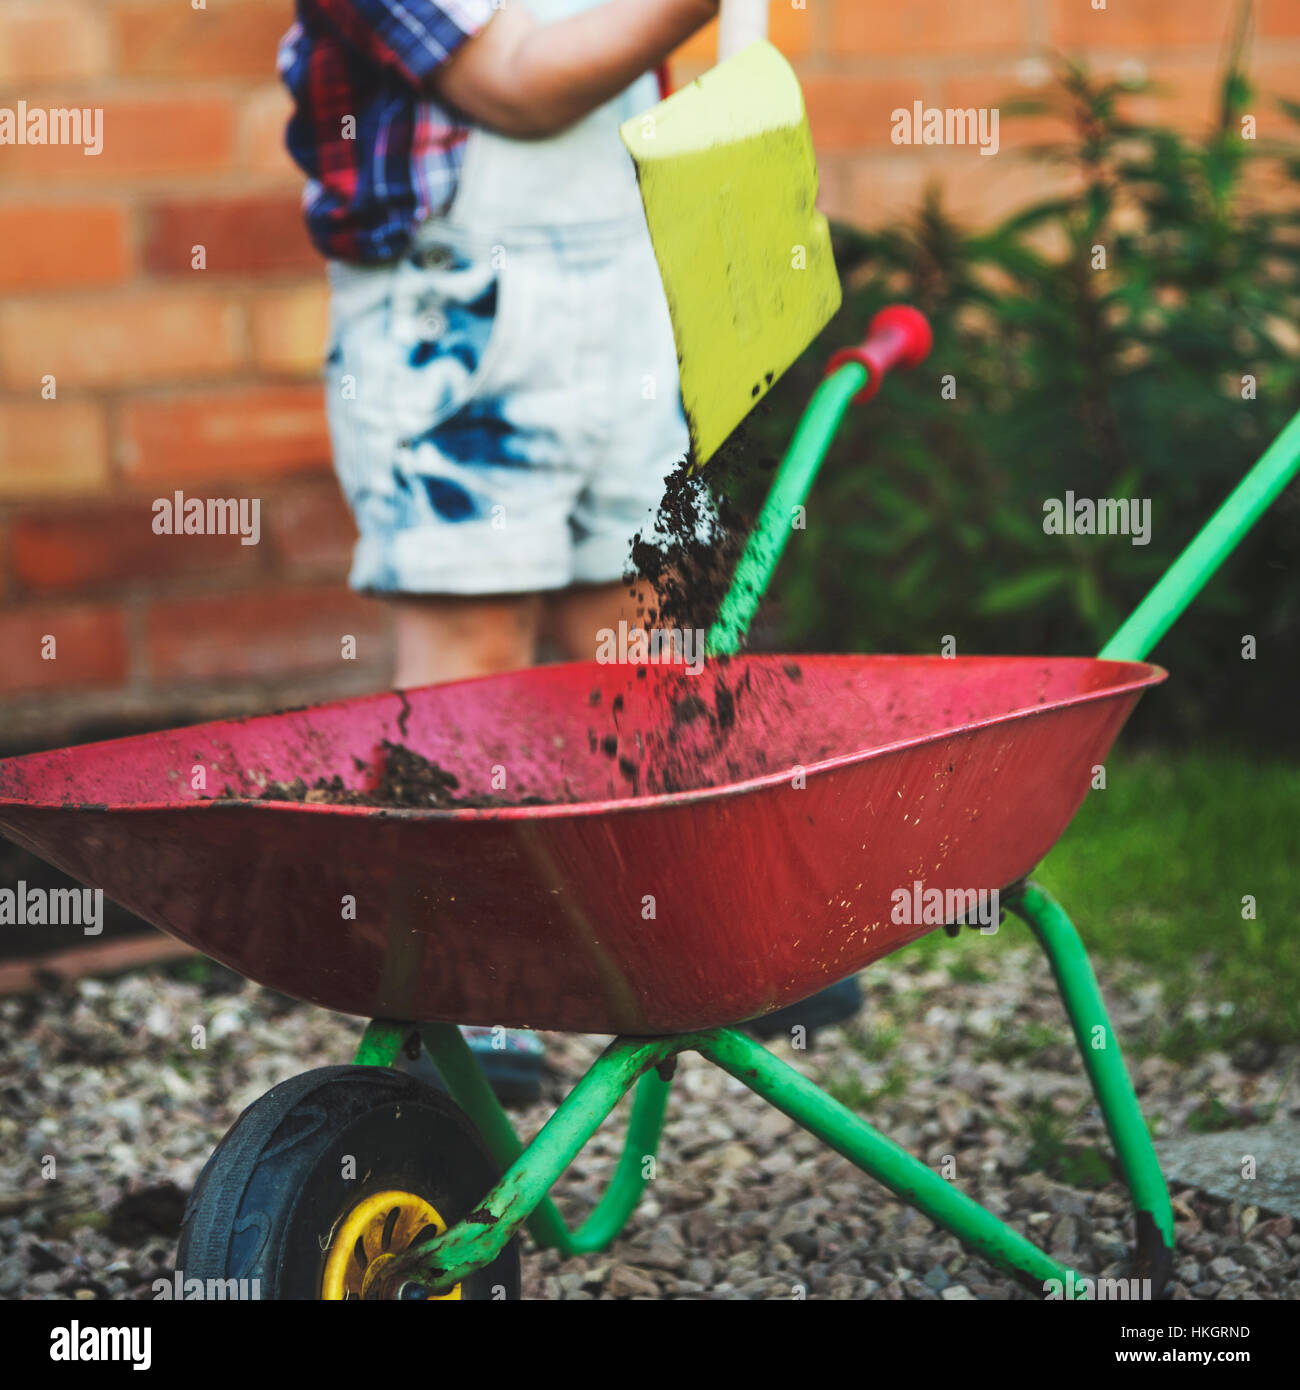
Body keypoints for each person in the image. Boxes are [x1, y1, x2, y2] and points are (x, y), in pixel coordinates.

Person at [280, 0, 860, 1098]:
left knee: (636, 628)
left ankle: (669, 935)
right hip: (457, 318)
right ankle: (462, 980)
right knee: (472, 647)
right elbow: (519, 85)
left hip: (622, 292)